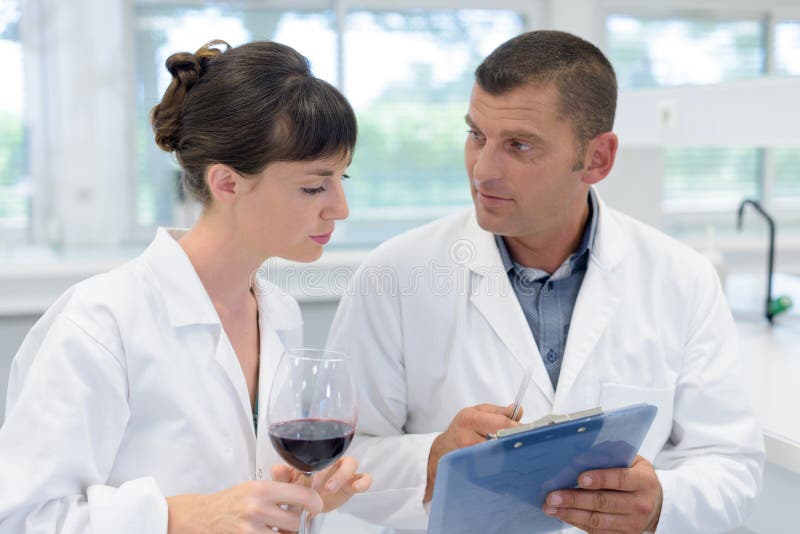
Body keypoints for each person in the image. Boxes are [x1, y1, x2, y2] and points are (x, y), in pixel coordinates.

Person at [327, 30, 764, 534]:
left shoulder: (681, 279)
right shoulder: (395, 274)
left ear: (597, 158)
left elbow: (731, 462)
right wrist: (434, 456)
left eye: (519, 145)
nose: (483, 170)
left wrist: (662, 503)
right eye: (476, 135)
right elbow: (335, 467)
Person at [0, 40, 370, 533]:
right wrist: (174, 517)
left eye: (341, 178)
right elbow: (22, 517)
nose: (340, 208)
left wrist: (302, 496)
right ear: (227, 183)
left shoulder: (279, 312)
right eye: (313, 186)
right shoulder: (101, 322)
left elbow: (244, 499)